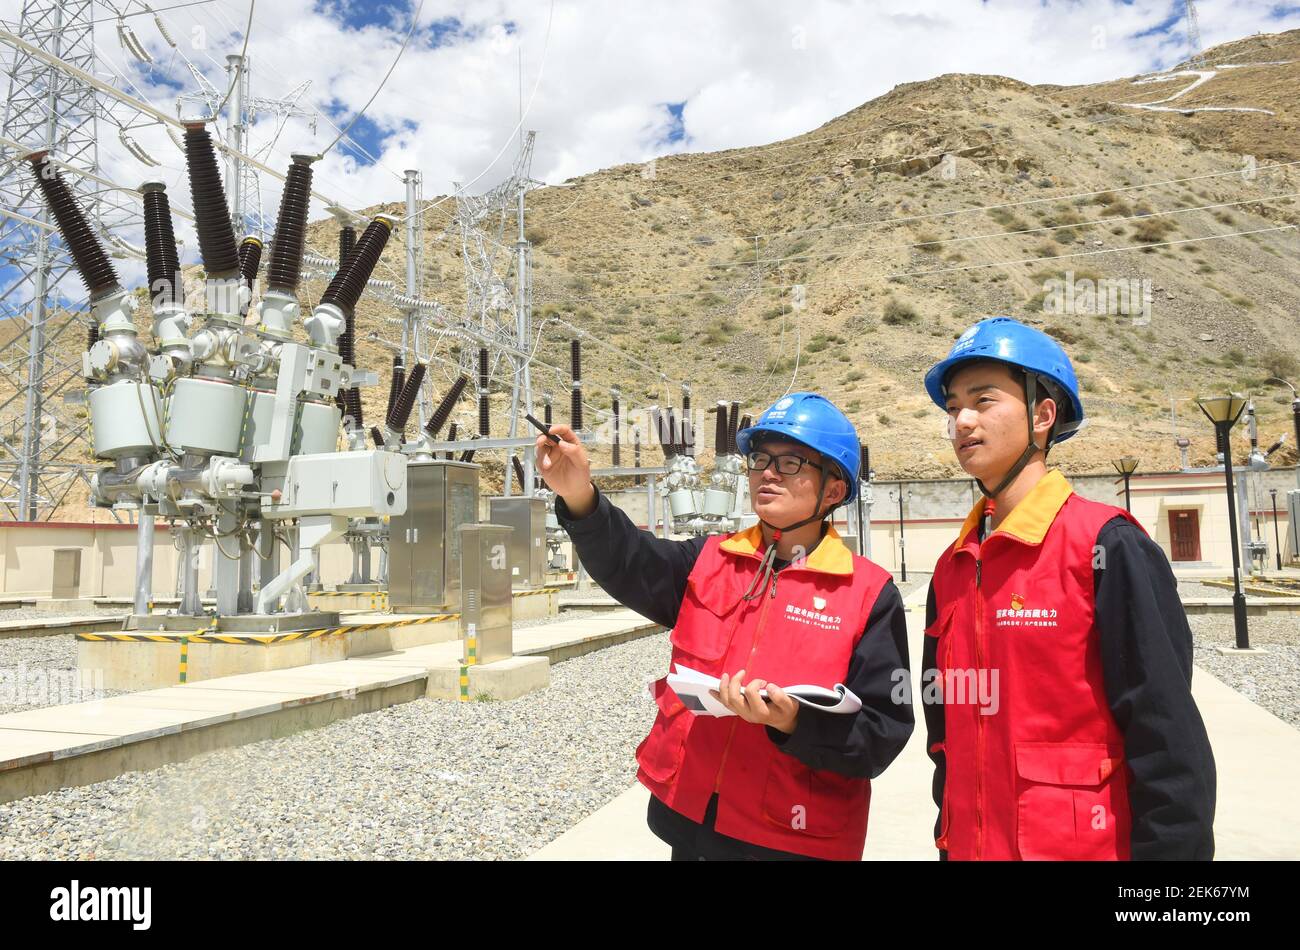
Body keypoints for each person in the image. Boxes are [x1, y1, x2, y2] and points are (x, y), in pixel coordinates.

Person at [537, 392, 913, 860]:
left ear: (833, 491)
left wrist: (795, 722)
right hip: (694, 828)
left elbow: (883, 732)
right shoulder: (709, 559)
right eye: (760, 459)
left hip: (790, 840)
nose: (768, 473)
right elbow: (628, 561)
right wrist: (578, 493)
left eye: (792, 462)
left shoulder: (867, 594)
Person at [920, 316, 1216, 860]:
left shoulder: (1106, 546)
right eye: (952, 406)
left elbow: (1167, 741)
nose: (961, 420)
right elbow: (947, 742)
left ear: (1042, 415)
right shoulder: (953, 567)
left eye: (983, 400)